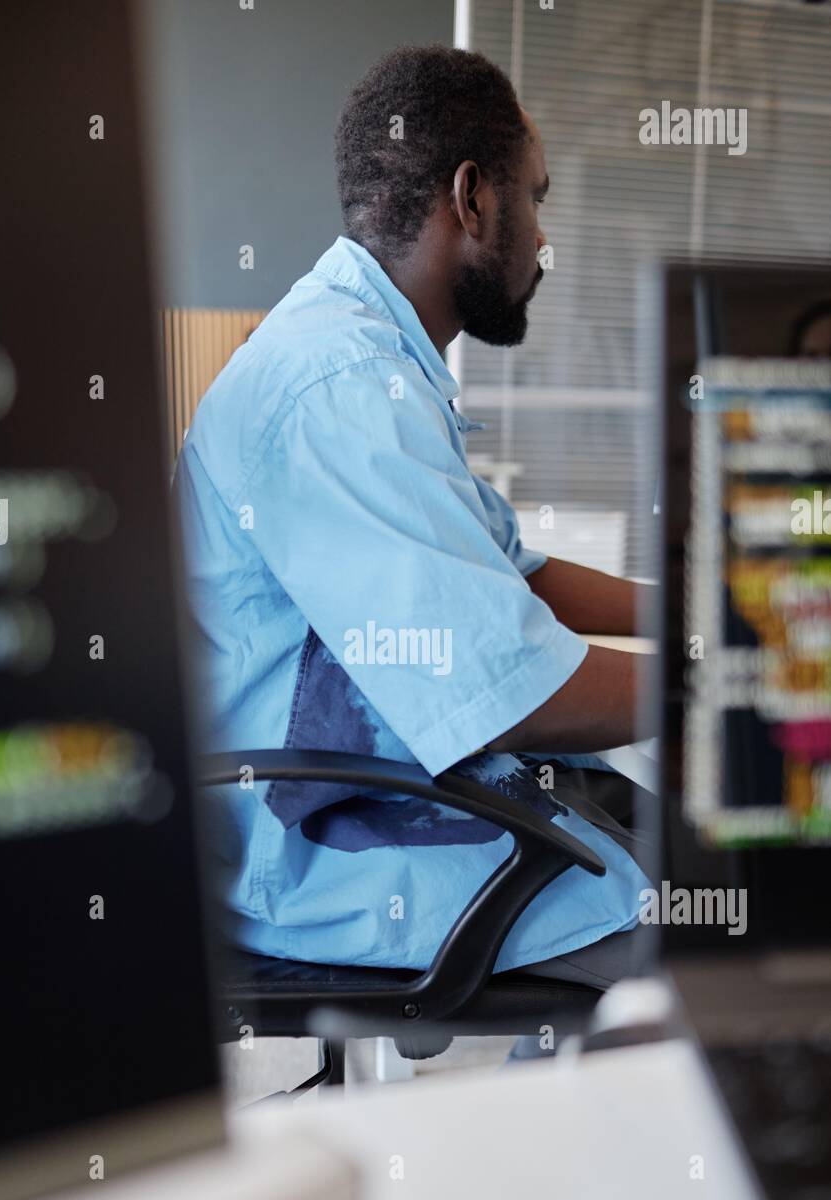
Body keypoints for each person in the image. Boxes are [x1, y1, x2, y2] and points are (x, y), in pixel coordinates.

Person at [173, 45, 657, 1021]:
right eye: (536, 198)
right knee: (742, 937)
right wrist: (745, 674)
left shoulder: (367, 354)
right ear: (473, 200)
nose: (544, 240)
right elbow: (509, 691)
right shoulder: (339, 385)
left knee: (703, 838)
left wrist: (701, 605)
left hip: (376, 792)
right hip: (333, 854)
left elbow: (510, 574)